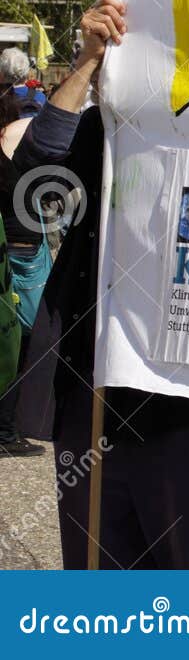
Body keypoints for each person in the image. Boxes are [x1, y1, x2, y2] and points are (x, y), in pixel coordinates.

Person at [12, 0, 189, 568]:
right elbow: (32, 180)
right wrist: (87, 63)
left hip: (188, 403)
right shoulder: (105, 134)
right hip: (92, 398)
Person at [0, 90, 52, 457]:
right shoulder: (23, 132)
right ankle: (6, 432)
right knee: (22, 340)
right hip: (24, 249)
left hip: (10, 245)